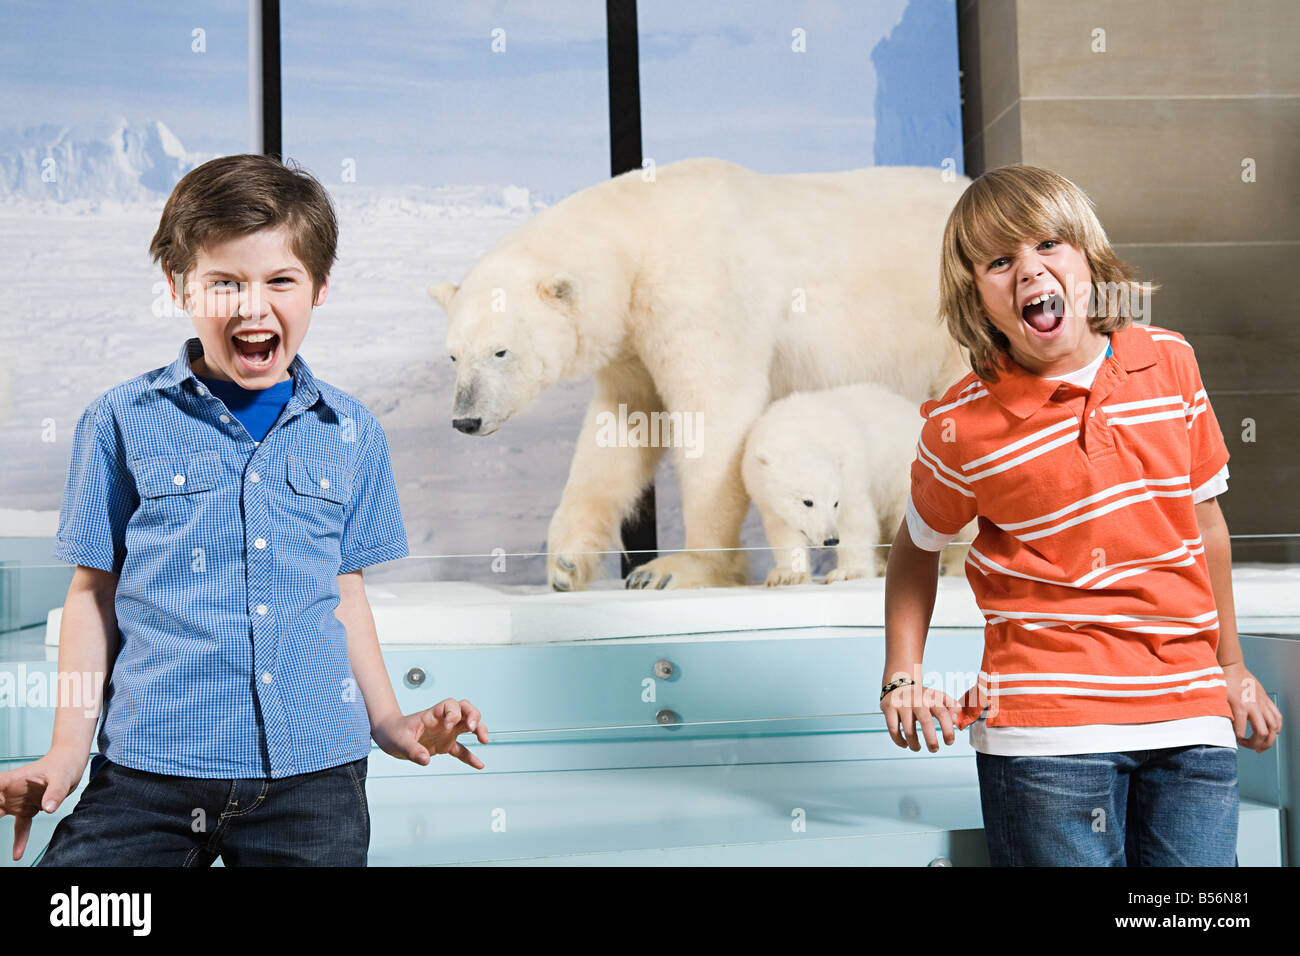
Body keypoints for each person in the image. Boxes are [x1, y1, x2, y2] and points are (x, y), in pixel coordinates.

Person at [0, 153, 489, 866]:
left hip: (316, 778)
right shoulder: (118, 420)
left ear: (319, 287)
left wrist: (389, 722)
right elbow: (92, 594)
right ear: (178, 287)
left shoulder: (351, 432)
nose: (252, 307)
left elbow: (344, 590)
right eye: (224, 282)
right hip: (149, 771)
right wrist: (67, 753)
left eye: (279, 280)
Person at [880, 164, 1281, 866]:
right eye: (1000, 261)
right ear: (977, 294)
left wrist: (1233, 666)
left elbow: (1204, 526)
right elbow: (916, 547)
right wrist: (903, 674)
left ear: (1088, 259)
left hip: (1189, 716)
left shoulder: (1170, 363)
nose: (1029, 270)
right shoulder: (960, 421)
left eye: (1047, 245)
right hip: (1047, 739)